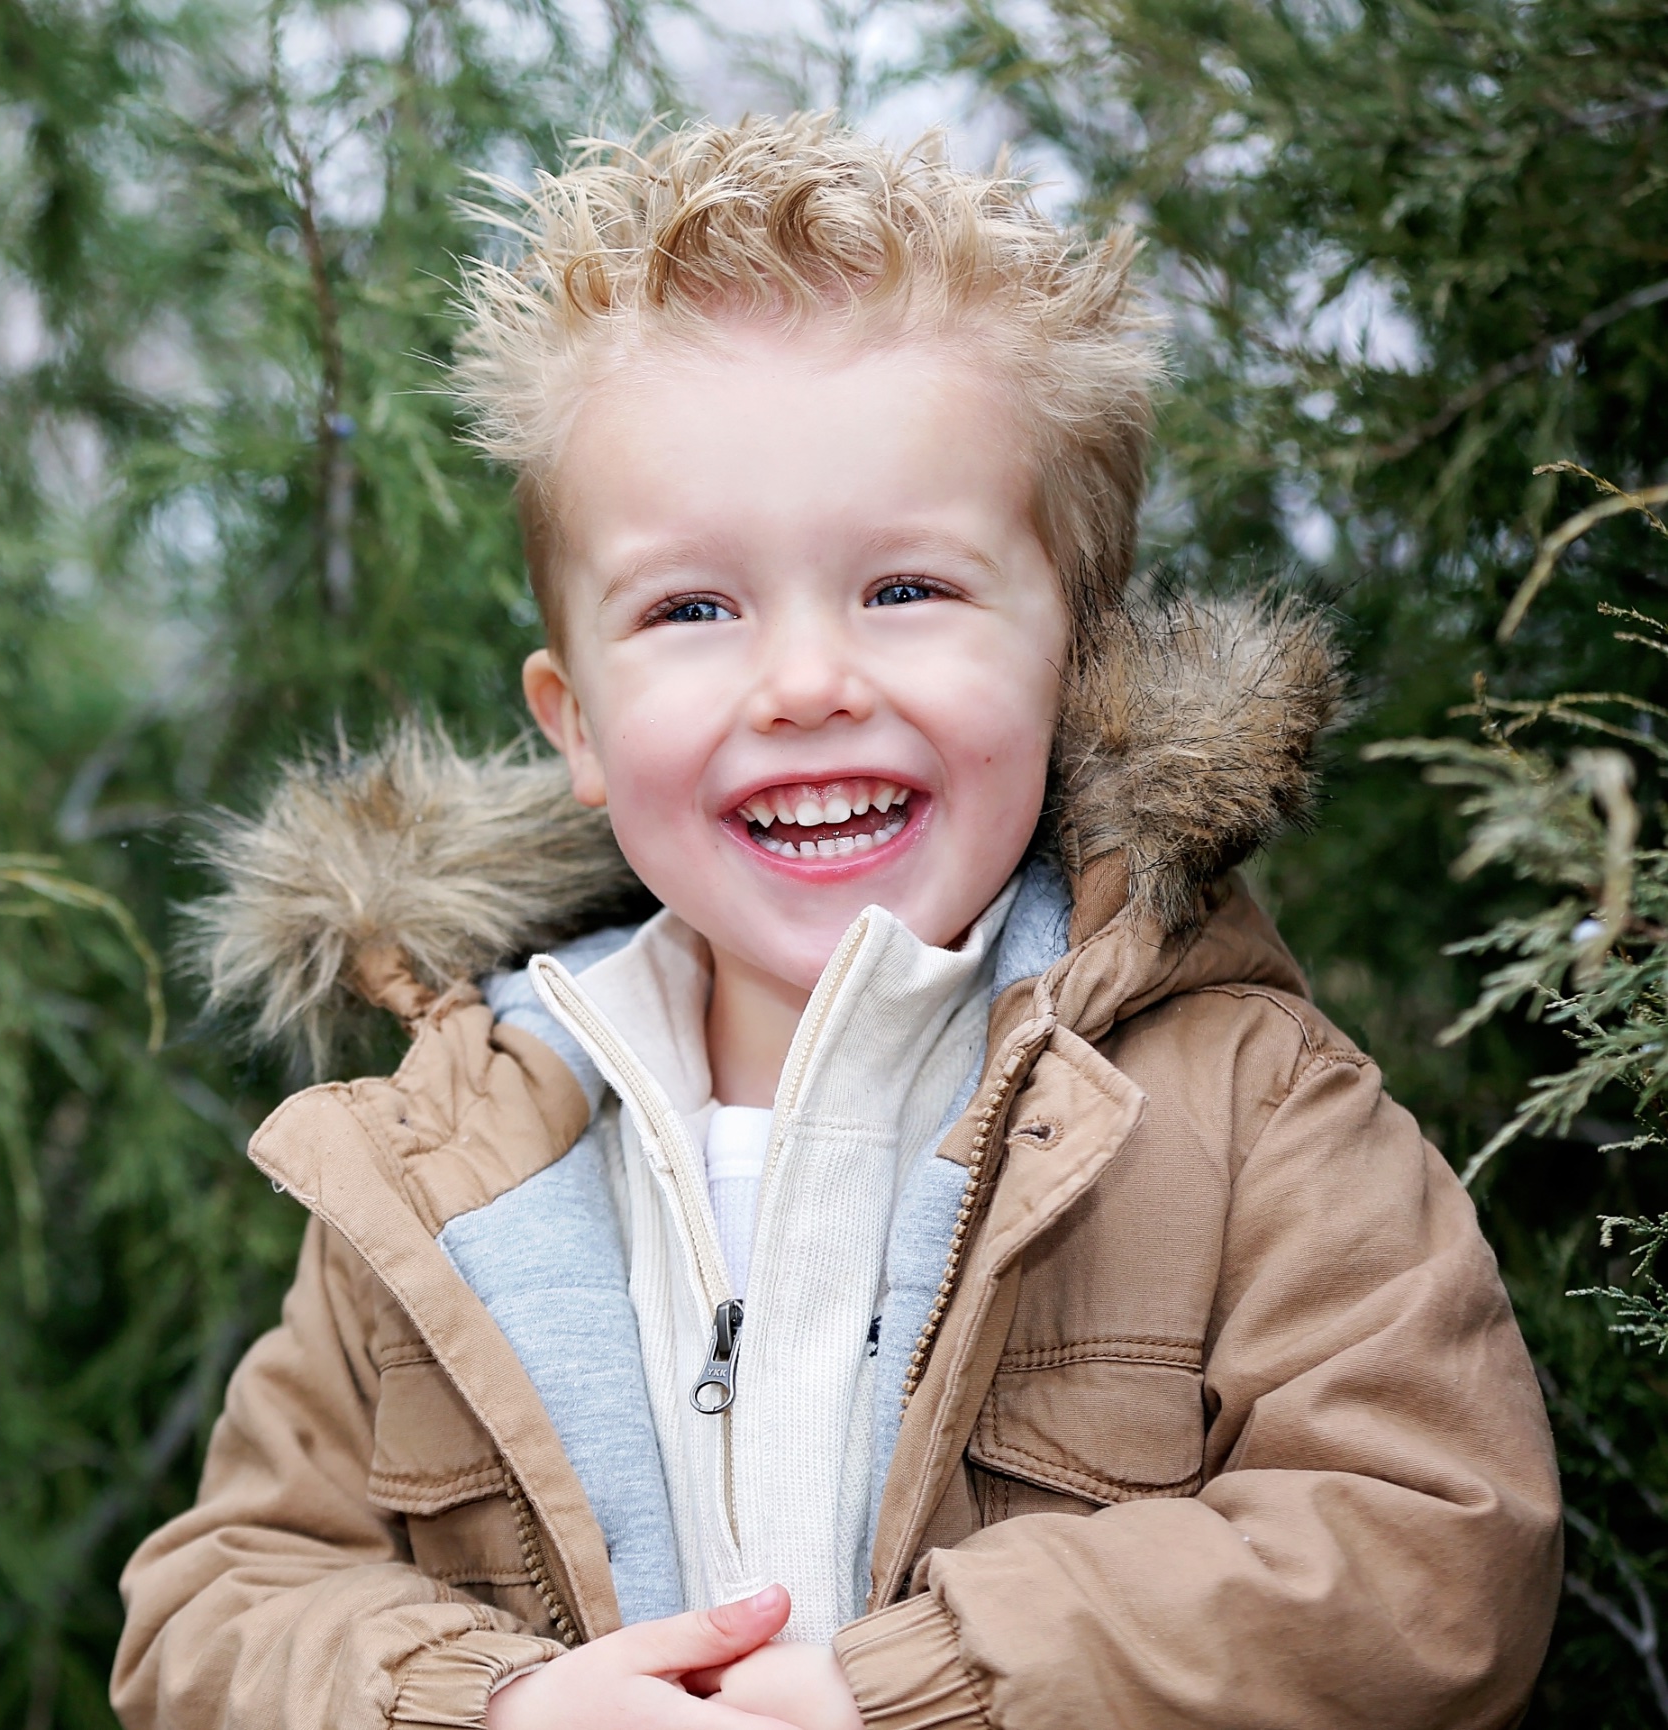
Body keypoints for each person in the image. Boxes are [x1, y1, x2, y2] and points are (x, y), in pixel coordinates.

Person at [111, 116, 1561, 1730]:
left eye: (905, 590)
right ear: (575, 719)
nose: (804, 683)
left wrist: (926, 1687)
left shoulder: (1236, 1105)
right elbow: (219, 1601)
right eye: (692, 609)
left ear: (1070, 657)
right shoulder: (454, 1151)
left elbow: (1433, 1547)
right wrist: (495, 1705)